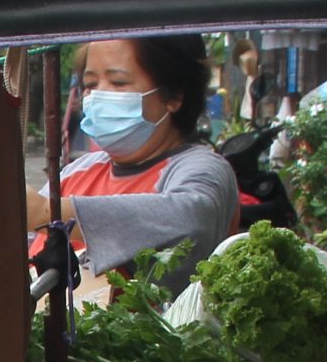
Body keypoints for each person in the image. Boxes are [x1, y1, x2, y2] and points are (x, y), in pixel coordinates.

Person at [26, 34, 239, 293]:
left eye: (118, 82)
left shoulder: (201, 168)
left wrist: (49, 215)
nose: (97, 95)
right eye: (90, 84)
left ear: (174, 95)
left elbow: (190, 219)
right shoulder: (77, 172)